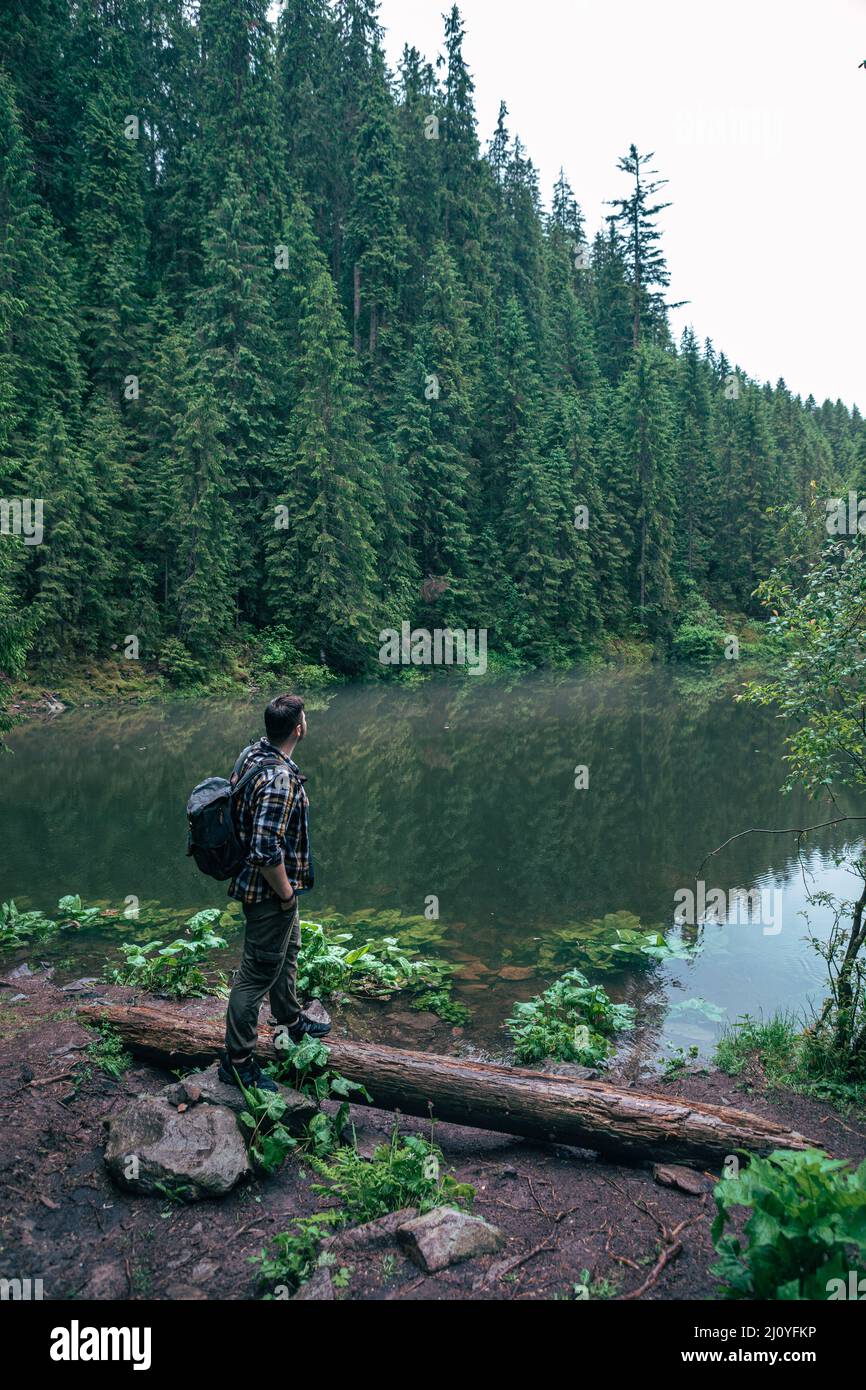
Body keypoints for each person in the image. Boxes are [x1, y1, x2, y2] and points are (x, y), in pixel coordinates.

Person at [218, 693, 330, 1091]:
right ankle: (238, 1062)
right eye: (306, 717)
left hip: (273, 890)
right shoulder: (279, 780)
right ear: (298, 727)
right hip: (267, 892)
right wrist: (285, 894)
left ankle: (291, 1018)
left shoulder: (254, 754)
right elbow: (266, 851)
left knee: (289, 951)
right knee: (253, 977)